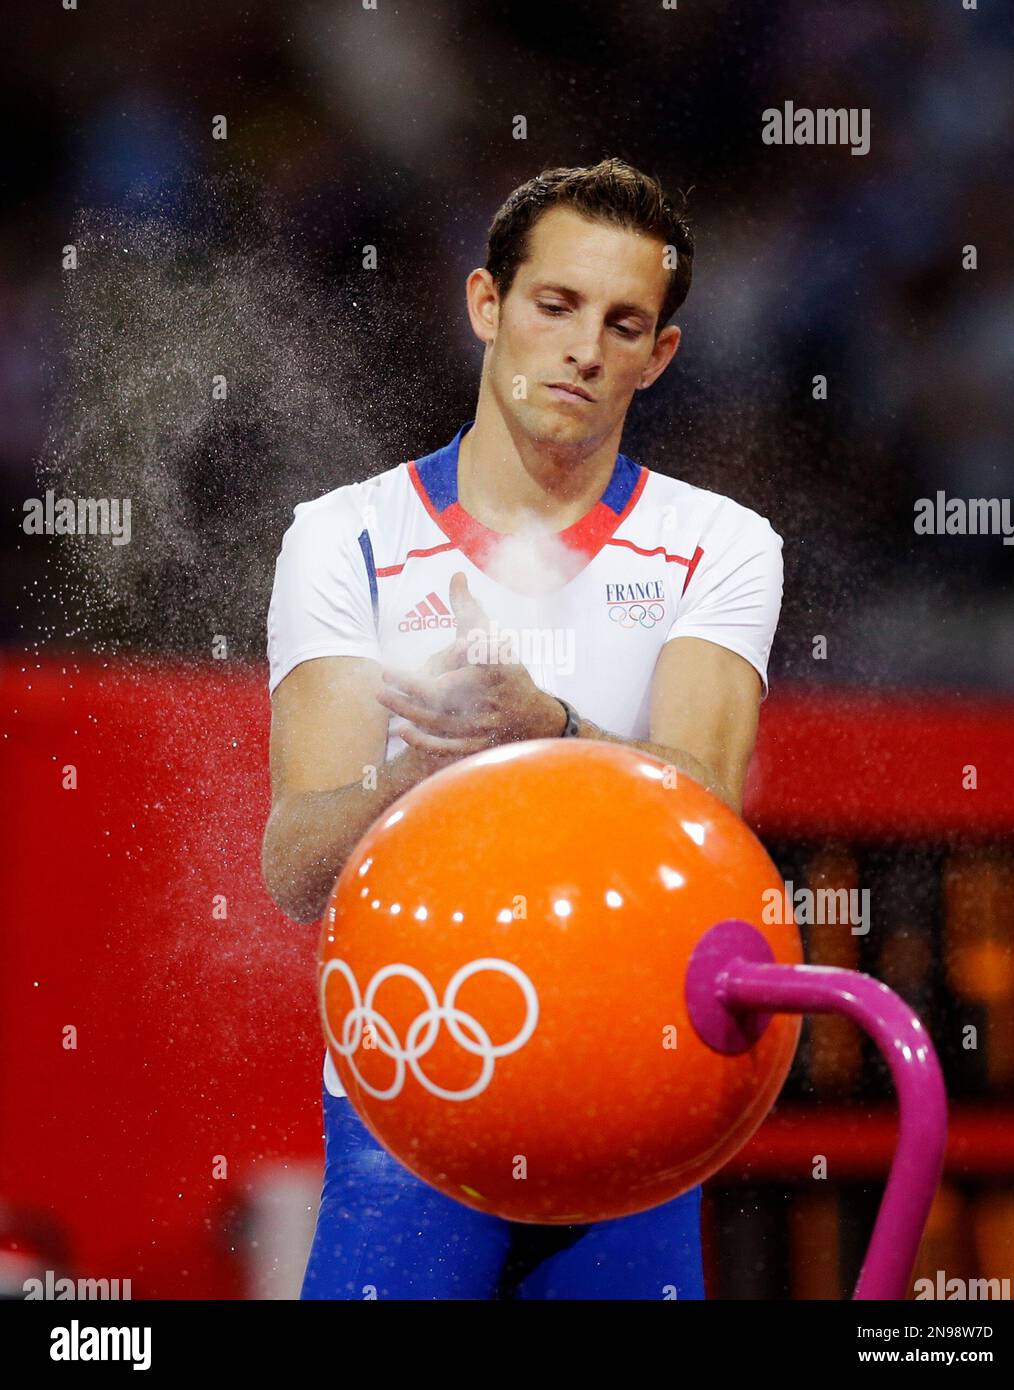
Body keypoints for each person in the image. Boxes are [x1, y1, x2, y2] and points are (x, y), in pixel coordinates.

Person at [262, 157, 783, 1299]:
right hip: (413, 1105)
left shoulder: (719, 544)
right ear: (486, 305)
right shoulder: (343, 537)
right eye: (555, 305)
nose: (585, 349)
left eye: (623, 322)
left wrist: (537, 727)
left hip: (631, 1118)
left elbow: (708, 803)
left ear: (659, 356)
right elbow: (298, 864)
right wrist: (418, 777)